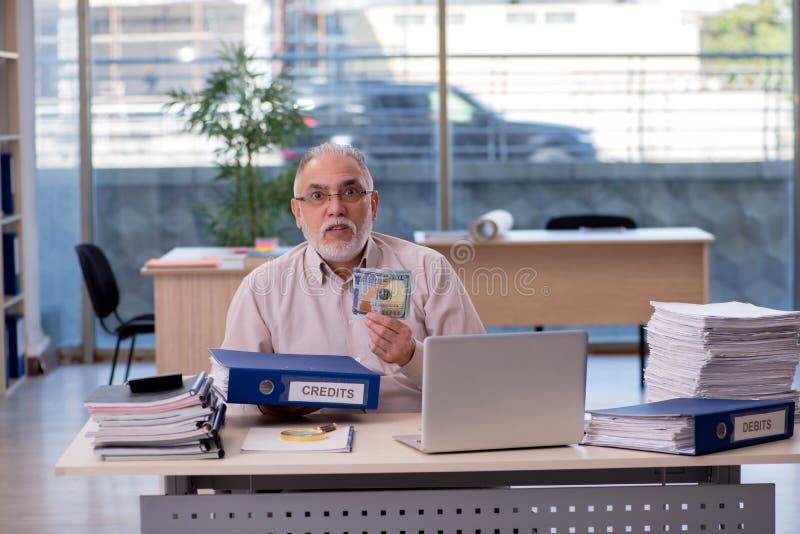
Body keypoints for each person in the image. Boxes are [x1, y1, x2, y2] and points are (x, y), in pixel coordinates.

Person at [220, 143, 485, 413]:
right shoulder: (262, 287)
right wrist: (275, 402)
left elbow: (480, 377)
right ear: (298, 212)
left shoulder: (429, 269)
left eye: (350, 192)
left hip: (410, 437)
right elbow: (229, 392)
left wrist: (412, 356)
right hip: (308, 442)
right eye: (317, 196)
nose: (336, 209)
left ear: (373, 204)